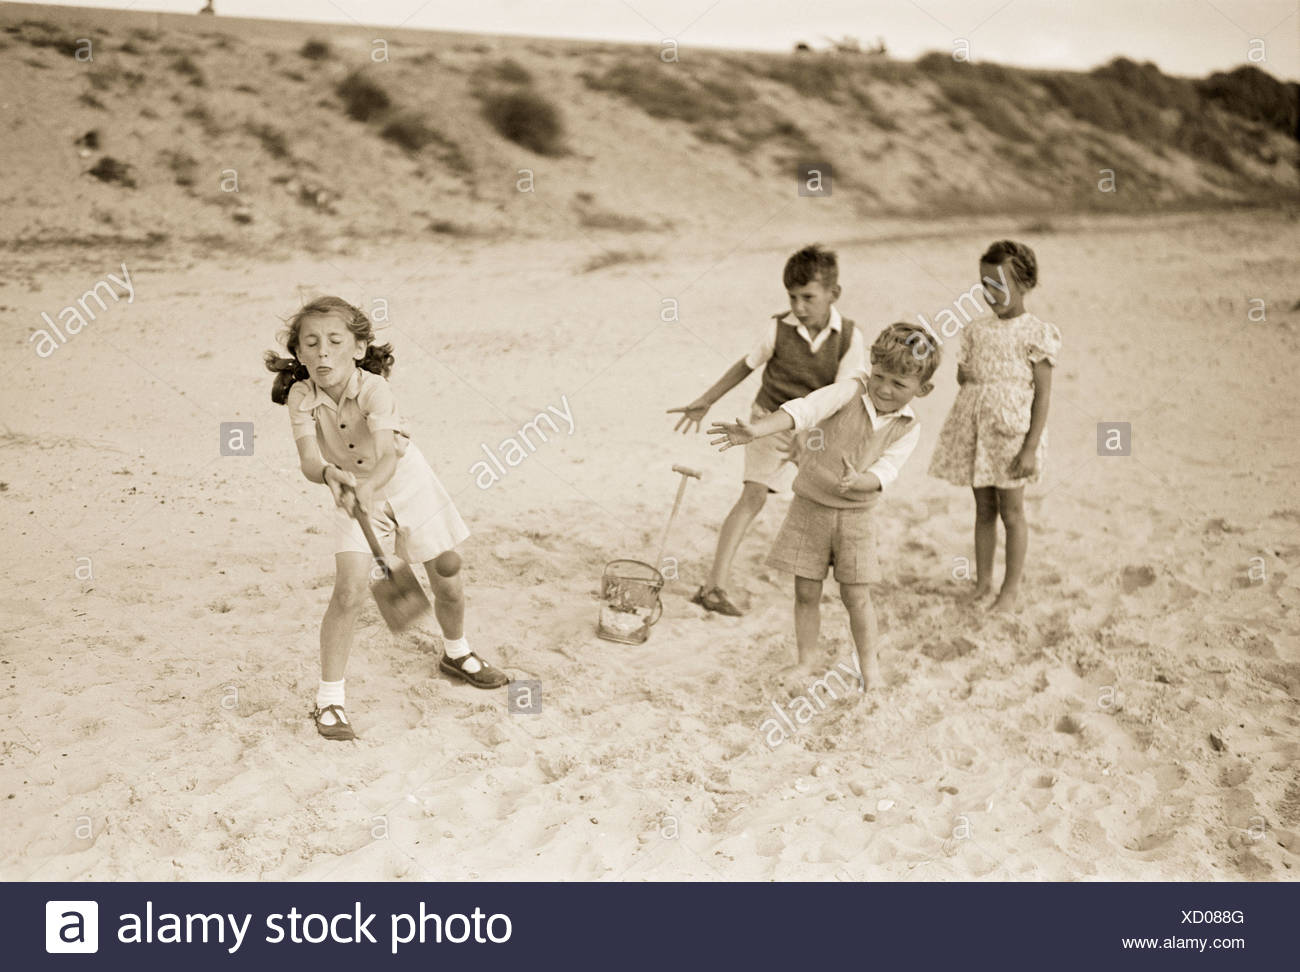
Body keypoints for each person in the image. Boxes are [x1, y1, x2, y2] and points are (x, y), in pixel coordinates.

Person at [264, 296, 508, 741]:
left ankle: (456, 652)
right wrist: (329, 474)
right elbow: (307, 460)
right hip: (354, 491)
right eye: (311, 343)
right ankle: (330, 700)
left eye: (335, 341)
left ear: (357, 349)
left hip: (404, 481)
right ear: (298, 354)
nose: (322, 352)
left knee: (447, 577)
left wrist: (367, 489)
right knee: (349, 592)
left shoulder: (375, 389)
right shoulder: (301, 396)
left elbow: (386, 459)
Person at [708, 323, 938, 690]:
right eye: (879, 376)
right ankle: (806, 661)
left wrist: (860, 482)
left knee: (857, 596)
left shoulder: (909, 426)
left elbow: (888, 469)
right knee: (805, 591)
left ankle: (870, 668)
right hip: (810, 507)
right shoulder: (849, 391)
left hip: (856, 516)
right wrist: (758, 430)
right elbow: (805, 409)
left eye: (899, 384)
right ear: (869, 367)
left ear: (922, 389)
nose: (883, 388)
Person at [667, 244, 865, 616]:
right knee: (753, 496)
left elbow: (842, 395)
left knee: (832, 497)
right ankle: (713, 587)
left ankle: (840, 576)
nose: (799, 306)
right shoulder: (777, 328)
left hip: (820, 426)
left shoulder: (851, 337)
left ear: (833, 294)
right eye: (792, 297)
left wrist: (811, 435)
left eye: (808, 297)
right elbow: (745, 366)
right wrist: (706, 400)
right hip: (767, 421)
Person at [927, 240, 1060, 613]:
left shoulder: (1037, 332)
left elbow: (1043, 395)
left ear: (1025, 283)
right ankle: (983, 582)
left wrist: (1030, 447)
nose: (992, 294)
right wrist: (963, 374)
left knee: (1012, 512)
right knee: (983, 509)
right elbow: (967, 377)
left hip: (1011, 434)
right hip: (976, 431)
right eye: (985, 285)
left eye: (1000, 284)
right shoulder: (975, 330)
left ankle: (1010, 590)